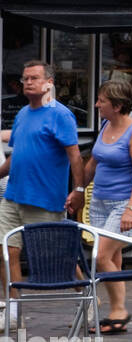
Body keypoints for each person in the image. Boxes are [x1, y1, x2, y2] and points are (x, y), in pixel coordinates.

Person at [0, 61, 85, 321]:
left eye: (34, 78)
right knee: (6, 251)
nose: (28, 82)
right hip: (13, 195)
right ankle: (13, 311)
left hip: (44, 197)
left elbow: (75, 156)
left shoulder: (60, 114)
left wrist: (79, 189)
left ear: (49, 82)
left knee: (61, 256)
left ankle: (87, 298)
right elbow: (16, 157)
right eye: (25, 78)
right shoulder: (23, 114)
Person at [83, 80, 132, 333]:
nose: (97, 104)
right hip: (100, 201)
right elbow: (94, 162)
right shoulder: (104, 125)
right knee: (111, 257)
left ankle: (119, 310)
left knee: (100, 256)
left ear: (118, 105)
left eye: (102, 100)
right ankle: (115, 312)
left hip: (124, 202)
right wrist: (79, 190)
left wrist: (130, 209)